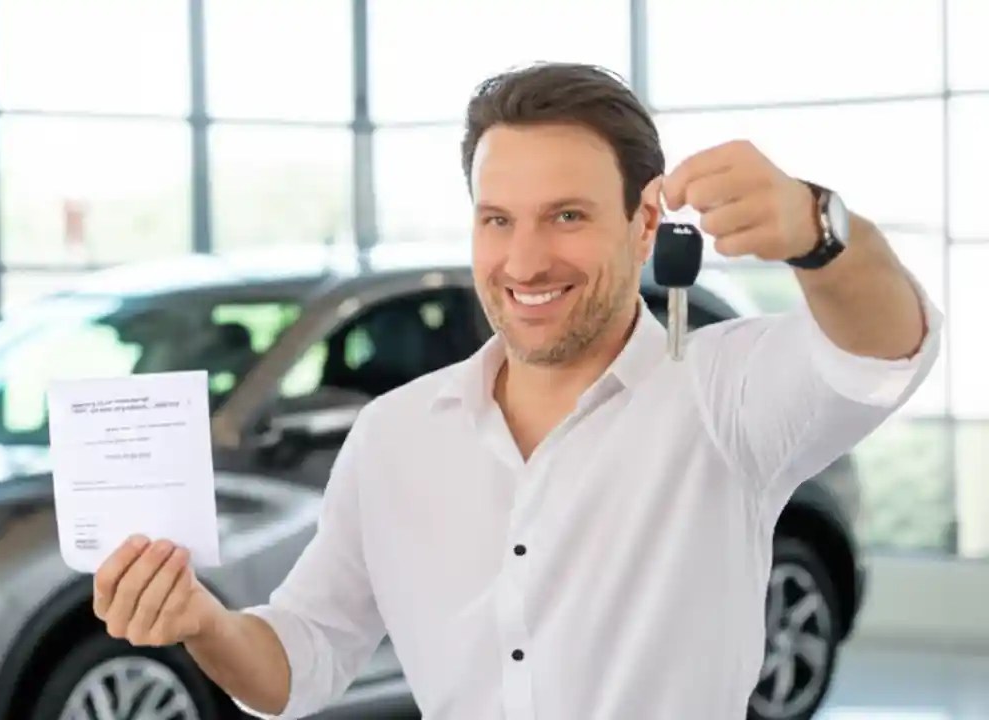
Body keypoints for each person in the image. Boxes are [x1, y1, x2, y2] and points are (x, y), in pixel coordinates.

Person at [91, 62, 942, 719]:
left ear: (645, 226)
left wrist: (820, 230)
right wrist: (202, 620)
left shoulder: (721, 395)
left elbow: (882, 348)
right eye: (498, 219)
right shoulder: (394, 436)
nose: (525, 261)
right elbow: (300, 661)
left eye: (566, 216)